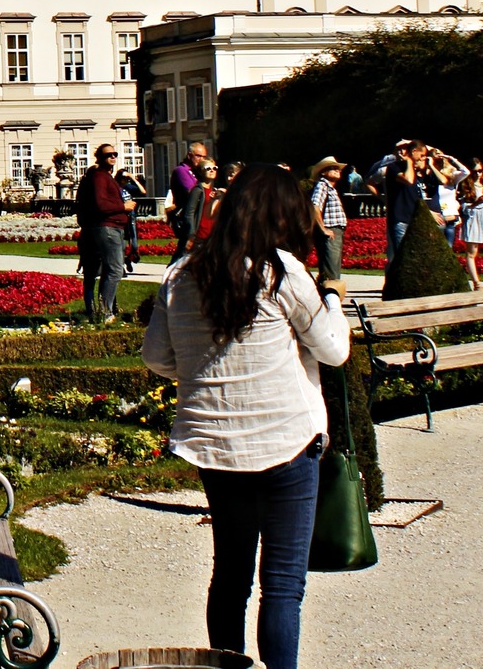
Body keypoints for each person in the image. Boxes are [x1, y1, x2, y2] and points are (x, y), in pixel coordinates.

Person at [143, 164, 351, 669]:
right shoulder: (281, 271)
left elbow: (158, 357)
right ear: (285, 216)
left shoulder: (182, 272)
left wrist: (203, 365)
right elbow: (333, 350)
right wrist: (332, 300)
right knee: (282, 583)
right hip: (286, 438)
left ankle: (226, 665)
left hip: (214, 442)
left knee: (230, 575)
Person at [75, 145, 132, 323]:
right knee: (114, 270)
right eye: (108, 155)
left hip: (102, 227)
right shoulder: (100, 177)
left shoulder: (102, 177)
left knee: (99, 271)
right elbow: (101, 204)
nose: (113, 157)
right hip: (108, 227)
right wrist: (123, 207)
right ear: (99, 157)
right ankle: (105, 312)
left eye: (115, 154)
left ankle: (99, 310)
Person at [383, 141, 431, 266]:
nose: (422, 158)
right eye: (421, 155)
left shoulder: (414, 171)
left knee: (415, 256)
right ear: (414, 151)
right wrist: (409, 161)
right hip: (400, 219)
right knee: (402, 258)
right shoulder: (393, 167)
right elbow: (408, 180)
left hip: (413, 219)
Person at [307, 158, 347, 287]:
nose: (337, 170)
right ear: (323, 172)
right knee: (331, 271)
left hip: (335, 230)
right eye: (332, 168)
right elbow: (315, 206)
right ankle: (331, 294)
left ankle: (329, 292)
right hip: (330, 230)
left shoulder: (330, 187)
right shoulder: (322, 185)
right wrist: (323, 228)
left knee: (332, 268)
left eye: (338, 168)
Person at [170, 142, 209, 262]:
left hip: (199, 218)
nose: (202, 159)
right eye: (198, 156)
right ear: (189, 155)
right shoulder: (182, 171)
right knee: (184, 254)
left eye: (204, 157)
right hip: (188, 218)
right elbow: (192, 192)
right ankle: (173, 270)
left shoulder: (197, 172)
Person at [117, 168, 150, 274]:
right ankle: (121, 267)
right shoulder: (115, 188)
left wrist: (133, 178)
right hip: (121, 218)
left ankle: (128, 259)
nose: (125, 181)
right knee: (122, 245)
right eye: (124, 178)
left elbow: (143, 192)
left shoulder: (128, 187)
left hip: (131, 217)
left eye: (127, 179)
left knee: (134, 246)